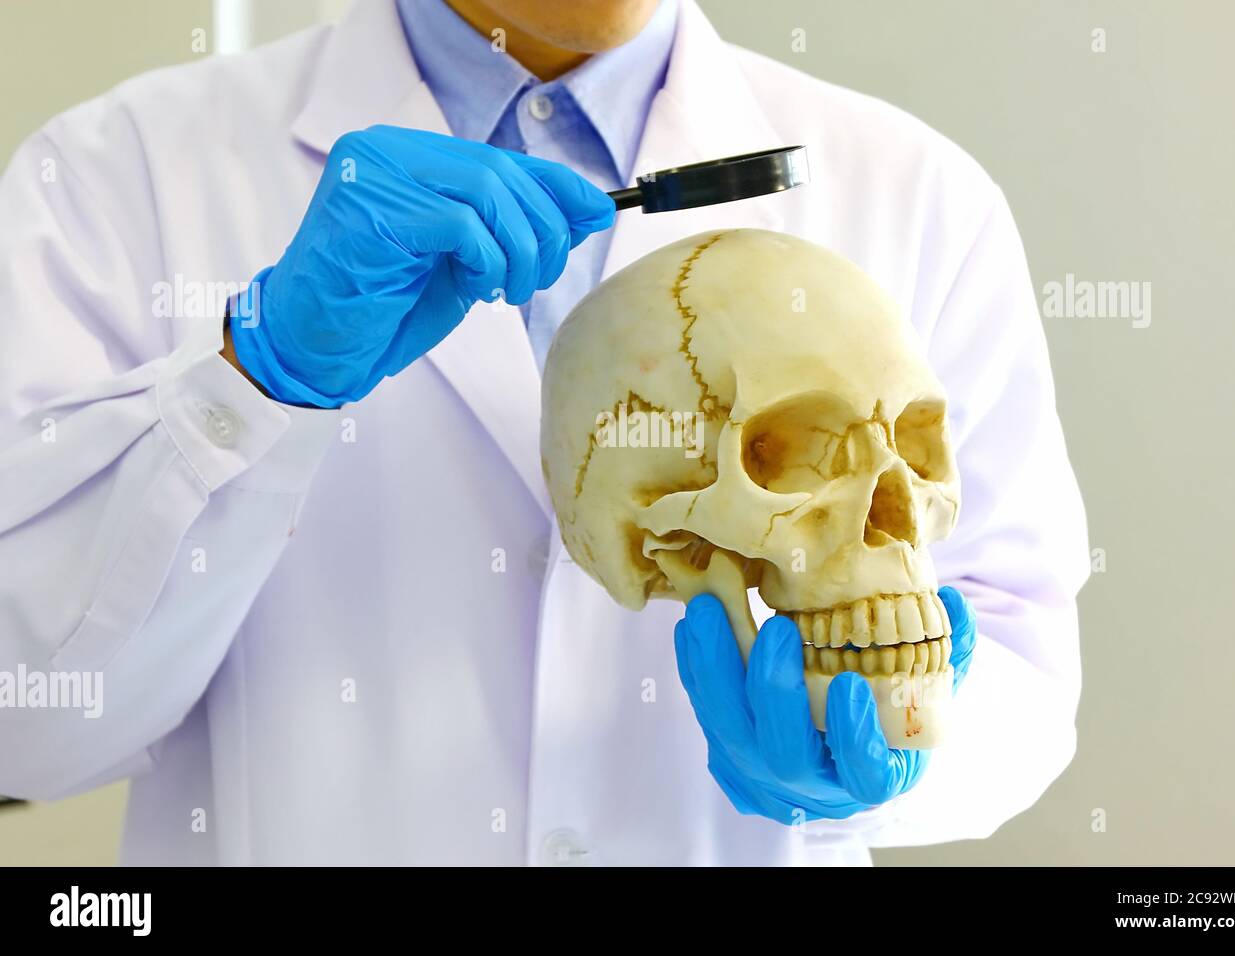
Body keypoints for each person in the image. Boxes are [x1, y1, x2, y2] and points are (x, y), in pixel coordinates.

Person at [0, 0, 1088, 865]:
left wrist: (895, 743)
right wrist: (251, 382)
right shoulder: (114, 177)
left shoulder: (915, 192)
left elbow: (1025, 672)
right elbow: (25, 722)